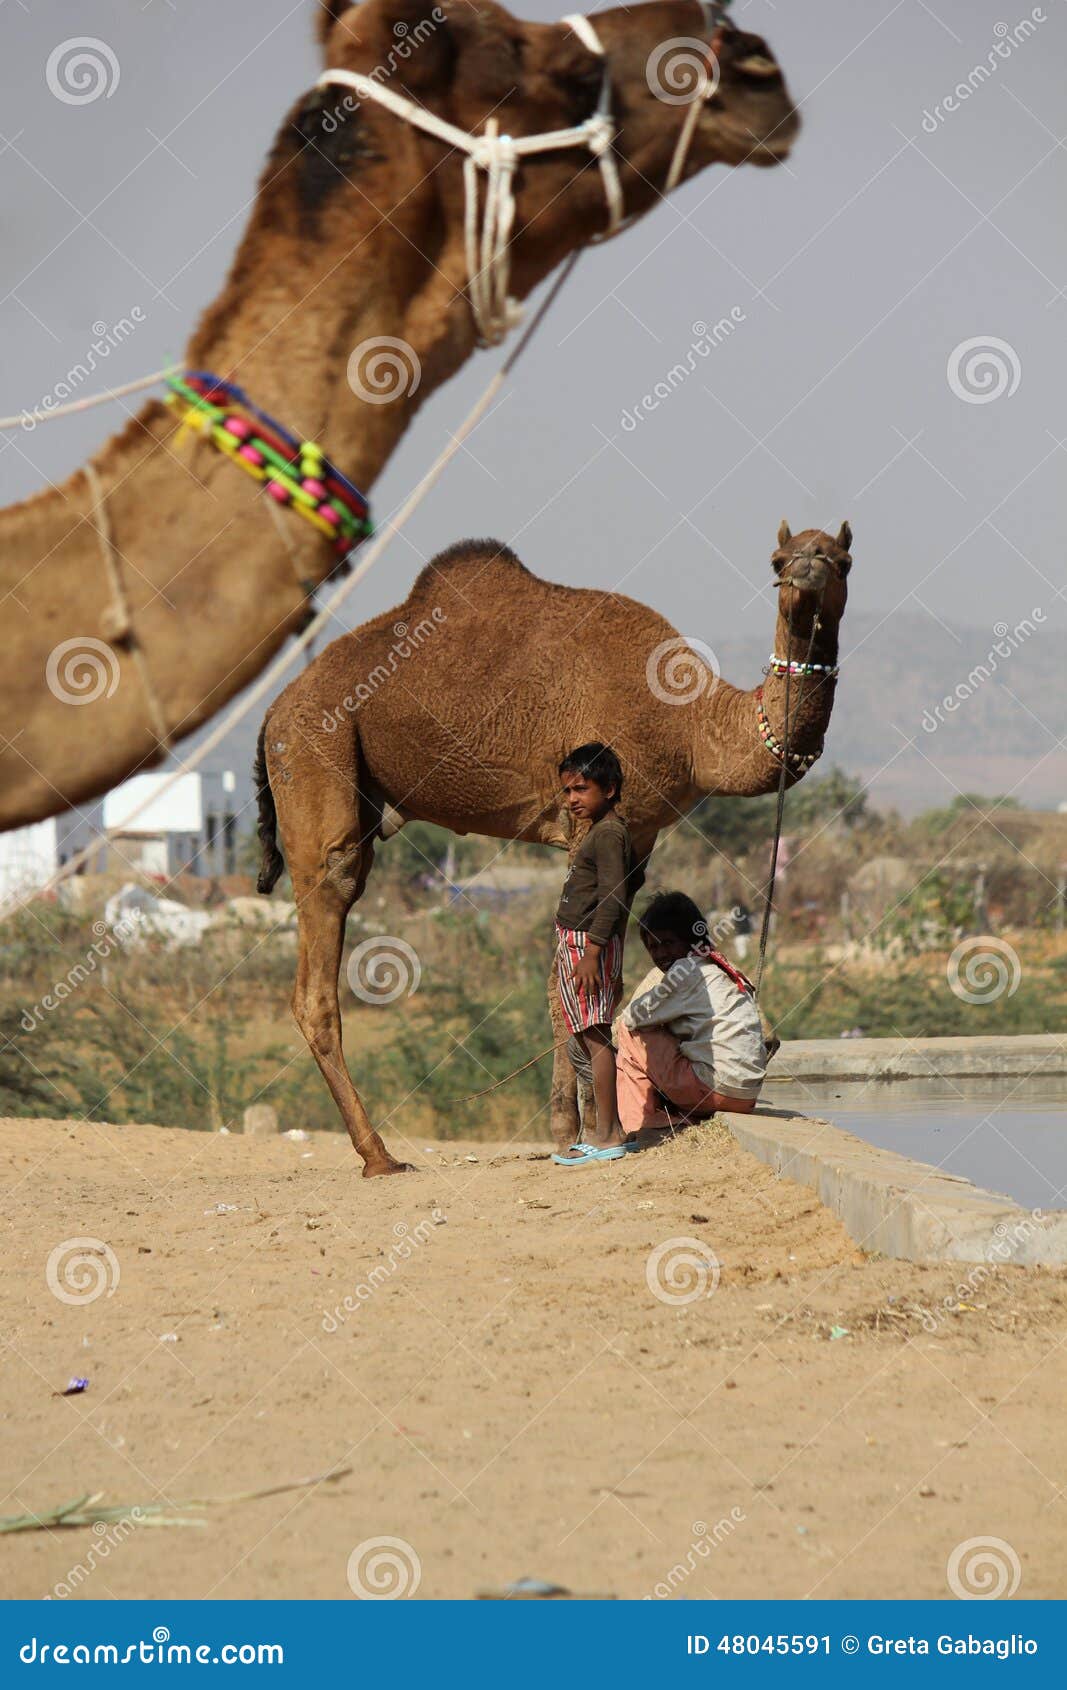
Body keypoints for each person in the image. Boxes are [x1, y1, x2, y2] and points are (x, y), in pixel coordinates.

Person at [552, 742, 643, 1165]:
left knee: (595, 1035)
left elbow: (614, 896)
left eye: (581, 789)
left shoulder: (607, 833)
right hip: (588, 944)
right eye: (568, 790)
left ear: (609, 789)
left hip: (588, 945)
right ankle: (614, 1129)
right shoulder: (606, 830)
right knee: (591, 1033)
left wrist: (593, 952)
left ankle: (606, 1134)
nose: (572, 799)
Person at [616, 890, 767, 1136]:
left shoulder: (684, 972)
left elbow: (633, 1017)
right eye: (653, 947)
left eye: (668, 943)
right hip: (746, 1097)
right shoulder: (716, 966)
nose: (660, 954)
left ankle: (638, 1127)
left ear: (690, 940)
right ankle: (668, 1115)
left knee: (627, 1030)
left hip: (716, 1090)